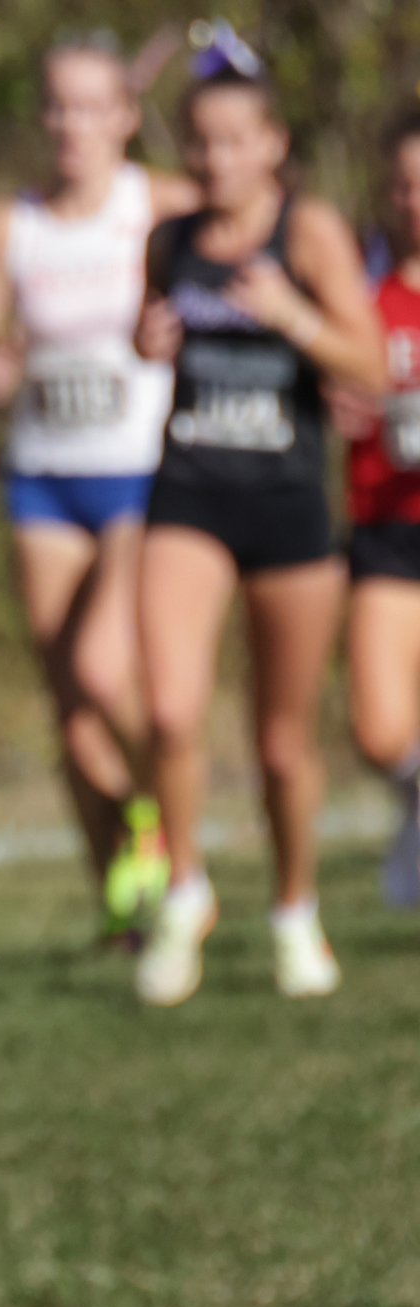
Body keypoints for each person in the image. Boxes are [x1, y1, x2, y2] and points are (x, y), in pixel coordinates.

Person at [130, 34, 387, 1007]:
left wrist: (291, 313)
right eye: (198, 143)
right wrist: (146, 338)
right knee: (168, 709)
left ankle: (290, 908)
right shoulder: (168, 239)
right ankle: (186, 892)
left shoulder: (308, 232)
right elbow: (148, 327)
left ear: (271, 145)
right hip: (187, 493)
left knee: (281, 742)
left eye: (233, 141)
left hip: (287, 504)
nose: (212, 160)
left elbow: (366, 366)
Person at [0, 36, 201, 940]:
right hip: (43, 481)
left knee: (107, 671)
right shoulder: (12, 224)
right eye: (58, 105)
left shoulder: (159, 202)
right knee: (71, 717)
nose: (72, 123)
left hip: (141, 470)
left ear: (125, 116)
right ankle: (127, 908)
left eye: (93, 105)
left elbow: (248, 237)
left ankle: (164, 824)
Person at [337, 102, 420, 906]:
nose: (414, 201)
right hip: (386, 533)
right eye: (401, 186)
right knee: (380, 729)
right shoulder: (361, 285)